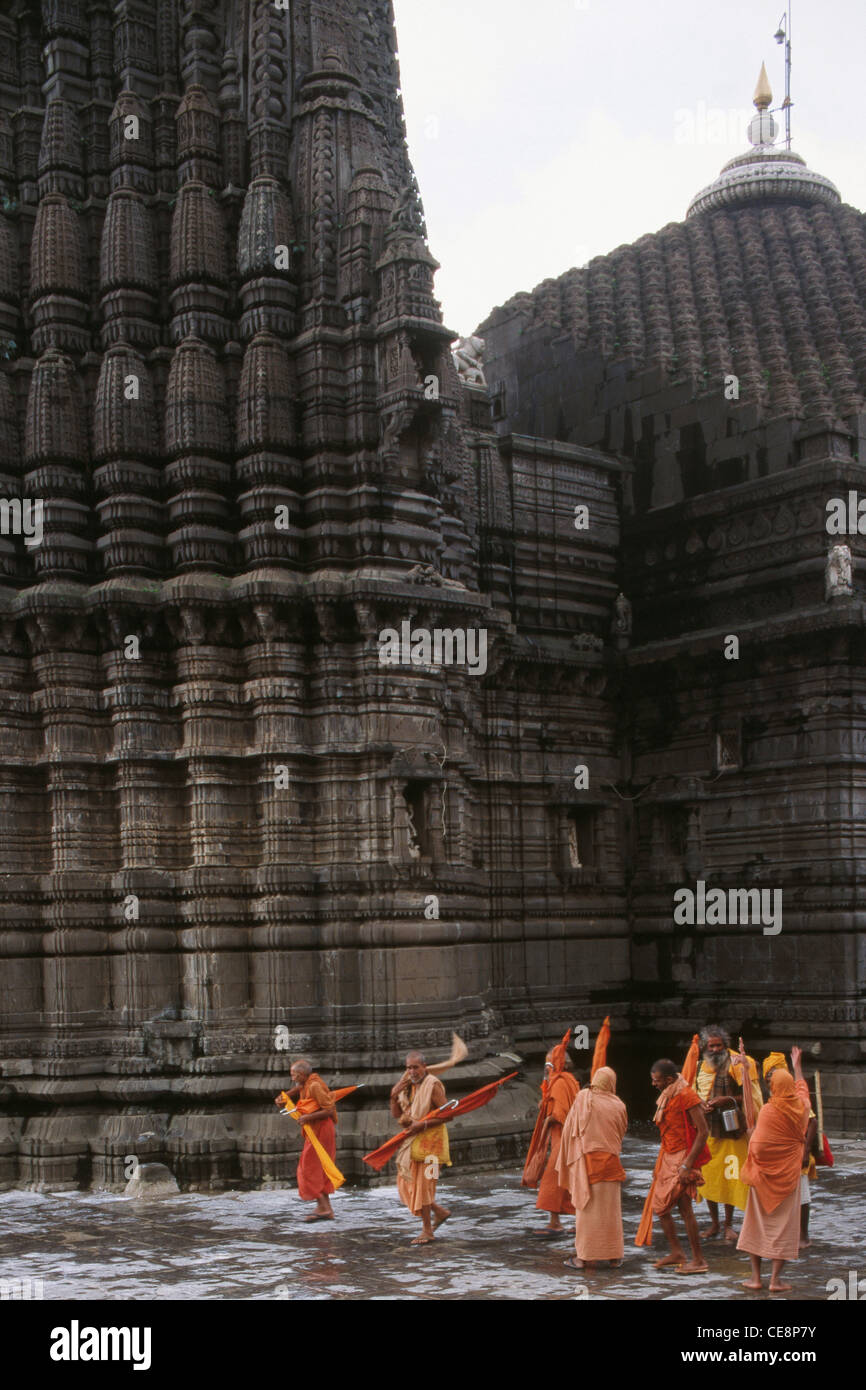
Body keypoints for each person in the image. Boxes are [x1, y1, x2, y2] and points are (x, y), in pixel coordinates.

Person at [738, 1045, 810, 1292]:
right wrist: (797, 1067)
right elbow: (803, 1088)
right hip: (789, 1177)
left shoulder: (769, 1110)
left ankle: (756, 1278)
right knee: (784, 1227)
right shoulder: (802, 1108)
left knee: (756, 1226)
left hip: (762, 1178)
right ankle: (775, 1280)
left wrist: (753, 1153)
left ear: (773, 1088)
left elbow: (757, 1146)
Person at [695, 1026, 763, 1243]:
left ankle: (729, 1225)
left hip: (733, 1132)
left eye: (719, 1045)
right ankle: (714, 1223)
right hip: (709, 1132)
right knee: (709, 1179)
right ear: (705, 1047)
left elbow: (751, 1097)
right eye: (711, 1046)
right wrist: (701, 1106)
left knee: (731, 1179)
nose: (715, 1050)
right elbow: (695, 1093)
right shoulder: (700, 1067)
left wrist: (727, 1100)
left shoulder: (739, 1063)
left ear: (726, 1045)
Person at [556, 1065, 627, 1270]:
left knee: (587, 1212)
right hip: (611, 1163)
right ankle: (615, 1257)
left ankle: (585, 1258)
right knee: (611, 1211)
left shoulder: (584, 1098)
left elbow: (570, 1129)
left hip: (588, 1162)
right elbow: (620, 1132)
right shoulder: (619, 1104)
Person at [644, 1058, 710, 1275]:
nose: (654, 1084)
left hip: (682, 1157)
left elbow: (703, 1132)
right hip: (668, 1156)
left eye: (657, 1081)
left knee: (684, 1209)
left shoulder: (686, 1095)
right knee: (661, 1207)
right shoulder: (669, 1093)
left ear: (670, 1079)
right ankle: (677, 1253)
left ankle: (699, 1260)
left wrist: (687, 1165)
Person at [390, 1050, 452, 1245]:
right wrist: (393, 1095)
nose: (412, 1071)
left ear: (424, 1067)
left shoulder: (432, 1085)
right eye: (408, 1068)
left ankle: (427, 1230)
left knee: (424, 1186)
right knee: (406, 1184)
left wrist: (422, 1125)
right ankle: (439, 1212)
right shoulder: (406, 1087)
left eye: (415, 1067)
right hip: (412, 1142)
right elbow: (396, 1115)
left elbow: (448, 1115)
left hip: (434, 1145)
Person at [521, 1033, 580, 1236]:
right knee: (570, 1181)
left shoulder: (560, 1082)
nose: (545, 1068)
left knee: (553, 1180)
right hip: (567, 1139)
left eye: (548, 1063)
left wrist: (547, 1119)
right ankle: (574, 1221)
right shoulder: (568, 1080)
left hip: (563, 1139)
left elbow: (560, 1114)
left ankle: (555, 1223)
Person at [762, 1051, 818, 1252]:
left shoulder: (796, 1098)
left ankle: (803, 1235)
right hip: (778, 1157)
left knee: (802, 1194)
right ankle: (784, 1232)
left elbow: (812, 1122)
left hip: (797, 1153)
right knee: (780, 1196)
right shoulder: (771, 1101)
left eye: (776, 1073)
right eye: (769, 1074)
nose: (772, 1078)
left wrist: (805, 1150)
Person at [285, 1057, 338, 1222]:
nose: (292, 1078)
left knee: (307, 1167)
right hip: (317, 1129)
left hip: (322, 1129)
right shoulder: (307, 1083)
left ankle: (323, 1206)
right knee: (318, 1168)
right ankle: (325, 1208)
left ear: (302, 1074)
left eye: (294, 1075)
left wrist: (308, 1118)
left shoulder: (314, 1085)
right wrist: (284, 1097)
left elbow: (329, 1109)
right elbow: (299, 1088)